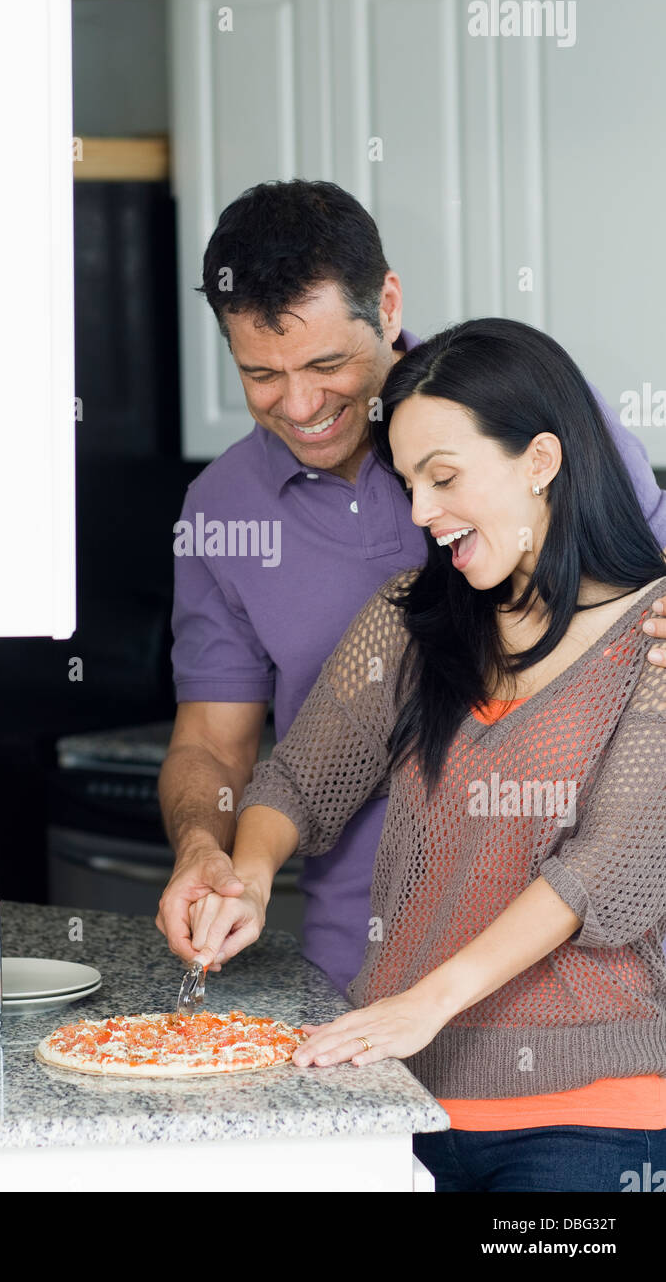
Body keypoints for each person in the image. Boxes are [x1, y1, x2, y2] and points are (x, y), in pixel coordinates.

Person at [186, 316, 666, 1192]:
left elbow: (609, 869)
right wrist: (247, 874)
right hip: (397, 1098)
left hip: (591, 1128)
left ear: (541, 460)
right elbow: (297, 779)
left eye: (443, 478)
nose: (420, 514)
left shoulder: (657, 641)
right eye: (407, 483)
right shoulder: (414, 619)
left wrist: (425, 1004)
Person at [156, 180, 666, 997]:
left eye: (327, 363)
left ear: (386, 303)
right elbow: (220, 748)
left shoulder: (535, 421)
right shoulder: (223, 511)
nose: (300, 403)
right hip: (355, 974)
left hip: (581, 992)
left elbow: (642, 598)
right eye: (261, 374)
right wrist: (208, 856)